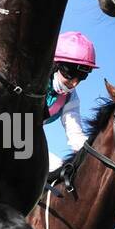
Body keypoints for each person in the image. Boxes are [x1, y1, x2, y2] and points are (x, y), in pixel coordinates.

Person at [45, 31, 97, 171]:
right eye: (71, 73)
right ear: (56, 64)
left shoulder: (71, 97)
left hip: (24, 138)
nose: (74, 83)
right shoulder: (31, 76)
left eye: (82, 77)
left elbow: (75, 135)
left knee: (60, 169)